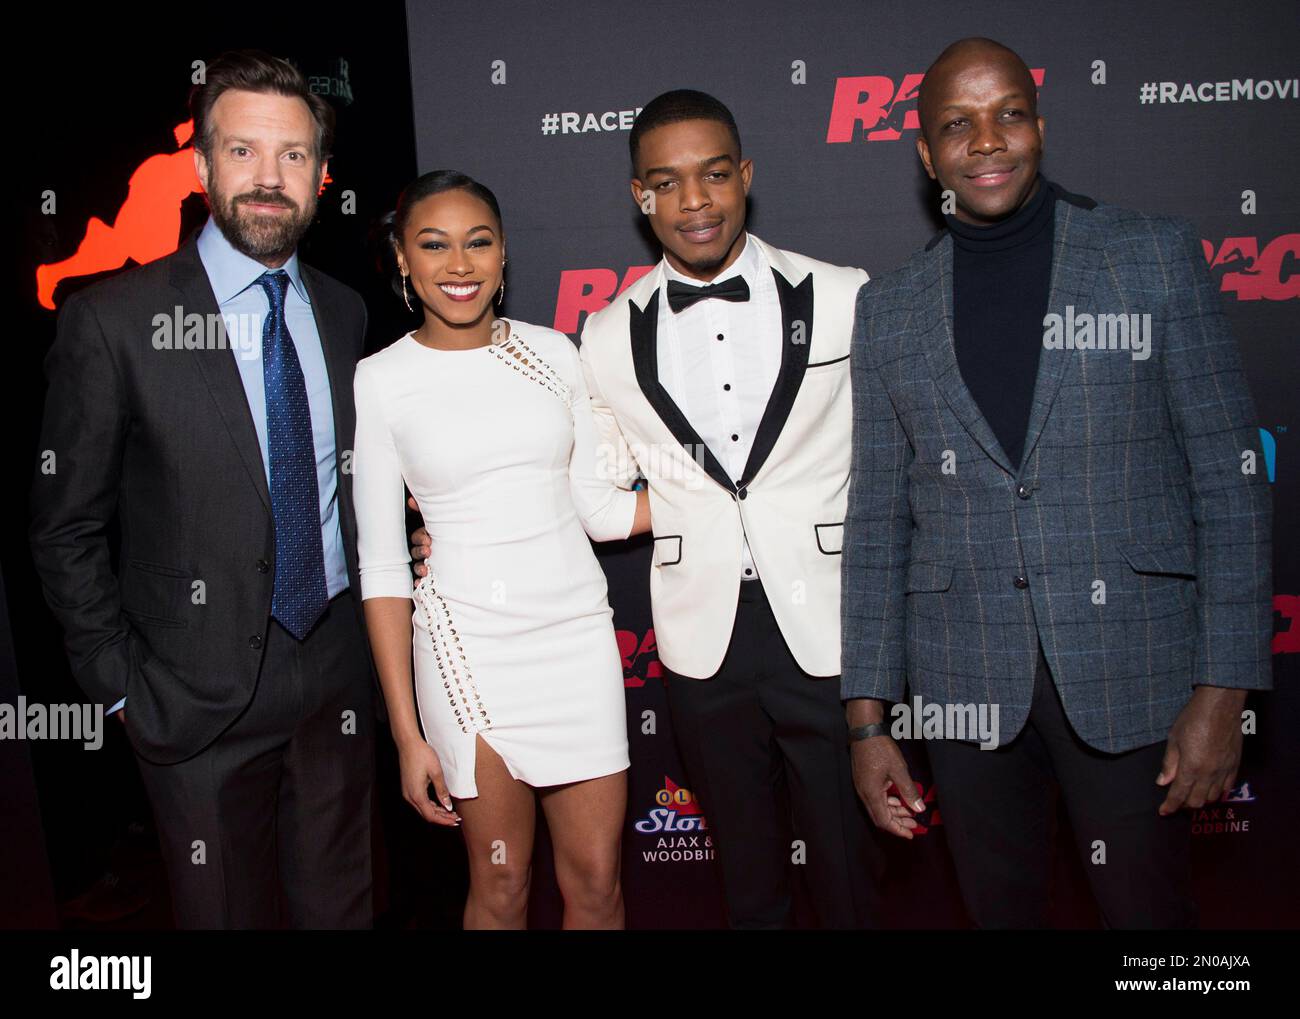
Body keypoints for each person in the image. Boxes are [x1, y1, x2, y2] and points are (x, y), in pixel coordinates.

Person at [416, 90, 881, 929]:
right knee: (748, 878)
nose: (693, 201)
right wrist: (462, 527)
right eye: (666, 183)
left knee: (849, 868)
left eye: (712, 176)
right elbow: (593, 498)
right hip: (702, 636)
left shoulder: (846, 294)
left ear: (746, 177)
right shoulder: (603, 335)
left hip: (831, 620)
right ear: (640, 197)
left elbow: (893, 461)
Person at [840, 37, 1273, 928]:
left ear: (1040, 126)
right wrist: (867, 720)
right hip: (964, 688)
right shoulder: (889, 309)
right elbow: (880, 520)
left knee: (1151, 928)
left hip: (1136, 671)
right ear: (927, 154)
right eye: (957, 124)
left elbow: (1229, 485)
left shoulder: (1149, 257)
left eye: (1008, 113)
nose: (986, 140)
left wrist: (1225, 689)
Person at [29, 49, 376, 928]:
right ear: (201, 165)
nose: (269, 177)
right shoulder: (113, 321)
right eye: (243, 150)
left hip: (336, 675)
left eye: (293, 155)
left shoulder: (345, 310)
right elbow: (65, 526)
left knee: (343, 911)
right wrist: (119, 685)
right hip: (191, 699)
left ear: (323, 174)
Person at [354, 171, 652, 930]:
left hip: (575, 637)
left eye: (478, 242)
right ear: (402, 260)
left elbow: (599, 506)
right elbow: (385, 566)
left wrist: (713, 502)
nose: (459, 264)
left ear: (504, 254)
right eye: (434, 244)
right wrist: (404, 733)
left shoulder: (553, 350)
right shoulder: (381, 380)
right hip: (467, 652)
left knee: (596, 881)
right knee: (503, 883)